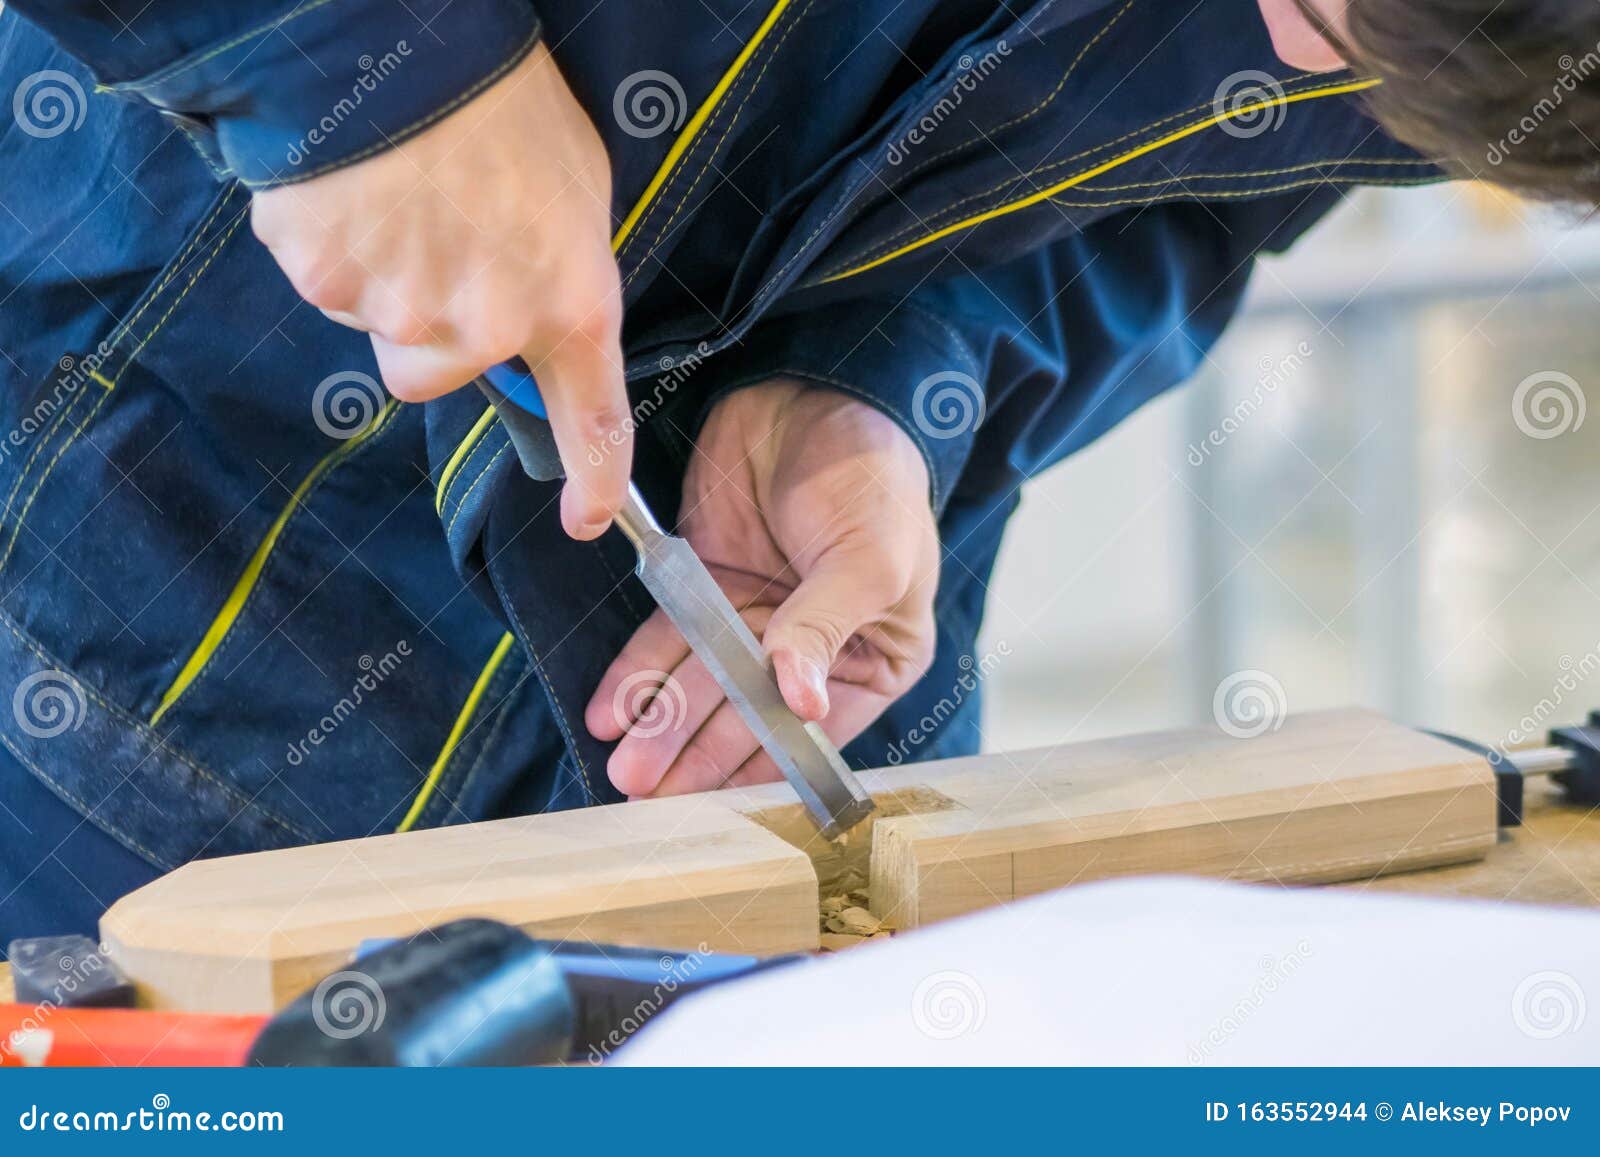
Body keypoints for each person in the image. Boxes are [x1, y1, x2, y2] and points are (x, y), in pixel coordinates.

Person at [0, 0, 1570, 938]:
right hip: (109, 578)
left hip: (676, 849)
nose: (1280, 43)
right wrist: (366, 65)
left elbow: (1184, 198)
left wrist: (885, 387)